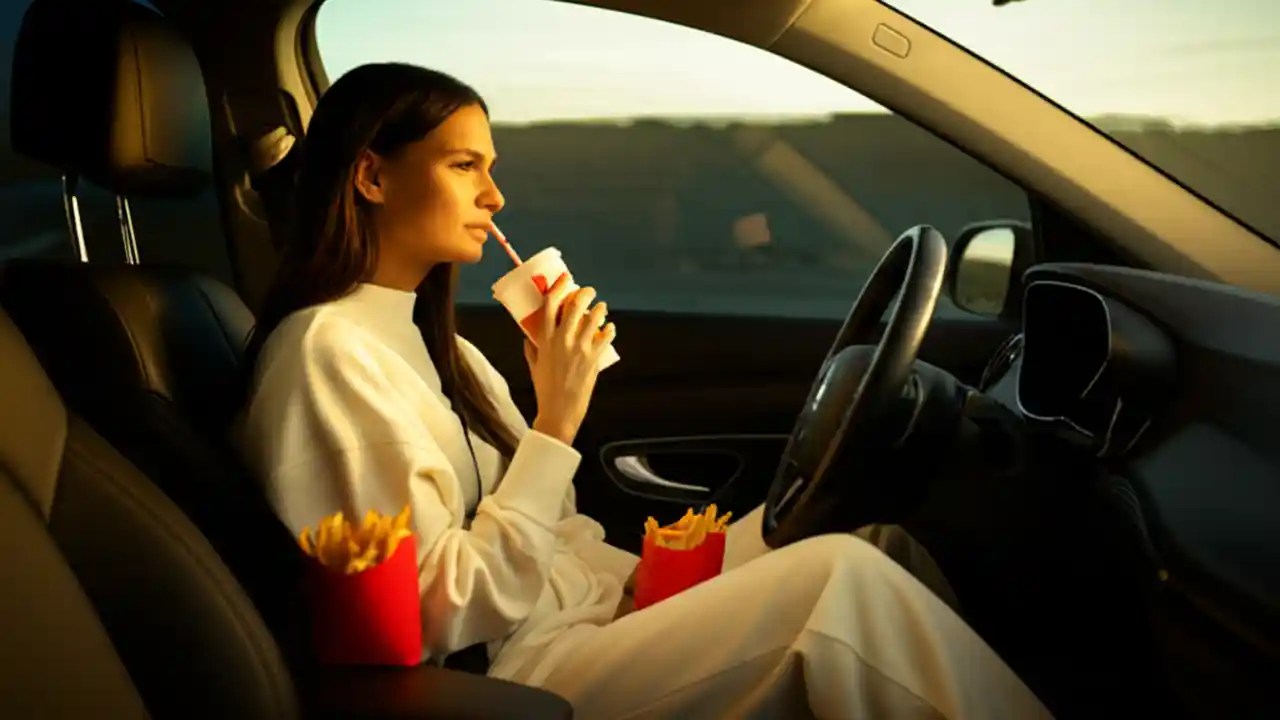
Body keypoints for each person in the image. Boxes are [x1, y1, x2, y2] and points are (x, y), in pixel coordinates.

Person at [236, 62, 1051, 719]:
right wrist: (558, 420)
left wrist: (629, 584)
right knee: (844, 582)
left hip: (581, 616)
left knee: (876, 540)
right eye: (465, 166)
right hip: (521, 672)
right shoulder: (326, 356)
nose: (495, 196)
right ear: (372, 176)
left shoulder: (434, 344)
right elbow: (430, 617)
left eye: (493, 168)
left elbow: (551, 532)